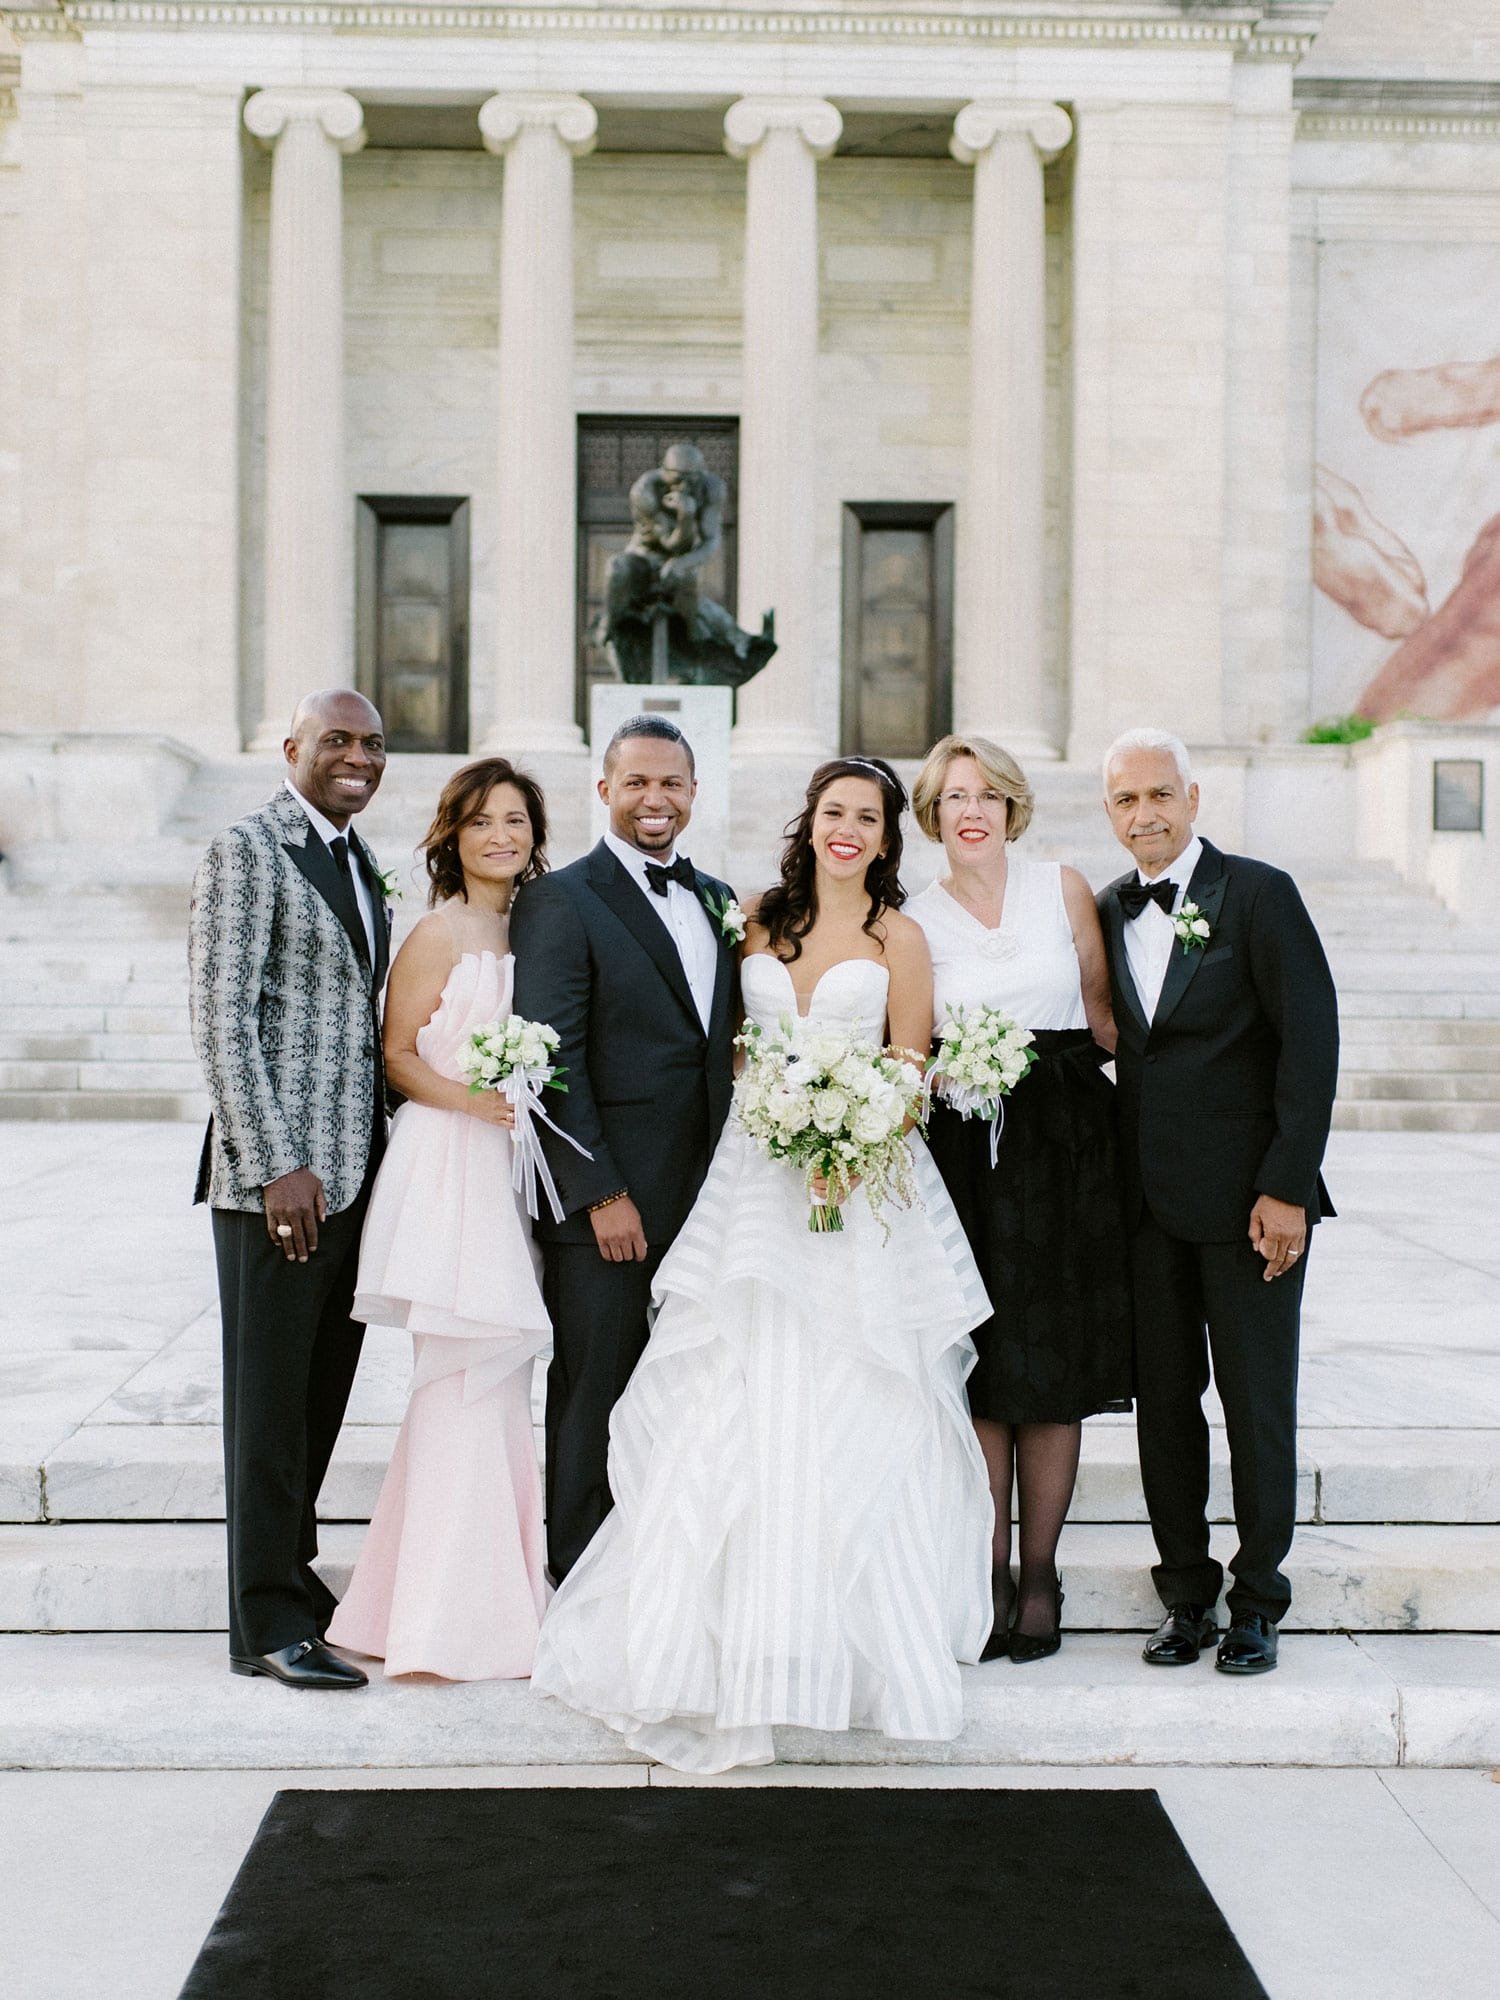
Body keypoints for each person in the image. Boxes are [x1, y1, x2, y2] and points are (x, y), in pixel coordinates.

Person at [531, 756, 994, 1773]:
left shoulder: (899, 937)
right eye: (834, 810)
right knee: (733, 1378)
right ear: (811, 820)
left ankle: (850, 1638)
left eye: (867, 817)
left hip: (859, 1183)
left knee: (854, 1379)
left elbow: (910, 1066)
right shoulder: (755, 920)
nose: (848, 829)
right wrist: (787, 1119)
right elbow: (728, 1048)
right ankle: (724, 1631)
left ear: (884, 836)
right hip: (755, 1178)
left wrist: (851, 1135)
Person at [1098, 728, 1339, 1676]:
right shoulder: (1113, 908)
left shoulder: (1261, 894)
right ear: (1111, 812)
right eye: (1126, 801)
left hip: (1252, 1206)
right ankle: (1186, 1594)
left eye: (1160, 795)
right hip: (1147, 1206)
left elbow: (1309, 1046)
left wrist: (1287, 1188)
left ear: (1194, 799)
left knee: (1255, 1403)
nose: (1145, 815)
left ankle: (1260, 1600)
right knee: (1164, 1406)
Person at [326, 759, 553, 1680]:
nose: (501, 835)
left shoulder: (541, 926)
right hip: (451, 1160)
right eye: (482, 821)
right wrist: (476, 1102)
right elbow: (396, 1055)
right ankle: (442, 1619)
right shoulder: (436, 931)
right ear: (452, 835)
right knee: (457, 1372)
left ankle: (451, 1601)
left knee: (495, 1384)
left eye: (517, 820)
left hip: (507, 1168)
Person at [909, 735, 1132, 1664]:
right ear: (933, 814)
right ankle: (988, 1568)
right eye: (956, 796)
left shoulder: (1063, 889)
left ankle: (1039, 1573)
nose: (973, 810)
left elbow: (1106, 1017)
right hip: (965, 1154)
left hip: (1068, 1148)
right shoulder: (913, 918)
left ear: (1012, 808)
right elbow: (909, 1045)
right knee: (988, 1369)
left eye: (989, 795)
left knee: (1055, 1368)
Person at [188, 688, 392, 1691]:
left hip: (355, 1175)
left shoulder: (356, 861)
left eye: (371, 744)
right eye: (337, 740)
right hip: (280, 1185)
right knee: (268, 1403)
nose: (357, 757)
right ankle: (262, 1620)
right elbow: (222, 1016)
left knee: (317, 1396)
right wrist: (276, 1162)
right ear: (292, 749)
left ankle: (291, 1582)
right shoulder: (247, 848)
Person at [509, 715, 739, 1583]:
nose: (655, 798)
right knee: (593, 1387)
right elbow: (550, 1053)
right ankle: (575, 1572)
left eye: (672, 783)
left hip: (705, 1194)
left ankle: (657, 1567)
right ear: (604, 791)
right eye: (637, 782)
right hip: (608, 1202)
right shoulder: (561, 898)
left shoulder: (717, 897)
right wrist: (599, 1191)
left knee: (680, 1389)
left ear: (692, 793)